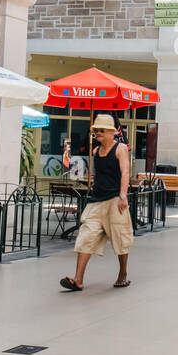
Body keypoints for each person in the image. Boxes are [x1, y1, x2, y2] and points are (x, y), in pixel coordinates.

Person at [60, 114, 132, 291]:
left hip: (115, 199)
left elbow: (125, 172)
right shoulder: (95, 151)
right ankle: (78, 280)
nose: (97, 133)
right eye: (96, 130)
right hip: (96, 200)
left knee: (120, 238)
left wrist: (123, 196)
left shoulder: (120, 148)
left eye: (101, 130)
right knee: (86, 235)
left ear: (111, 132)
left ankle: (123, 273)